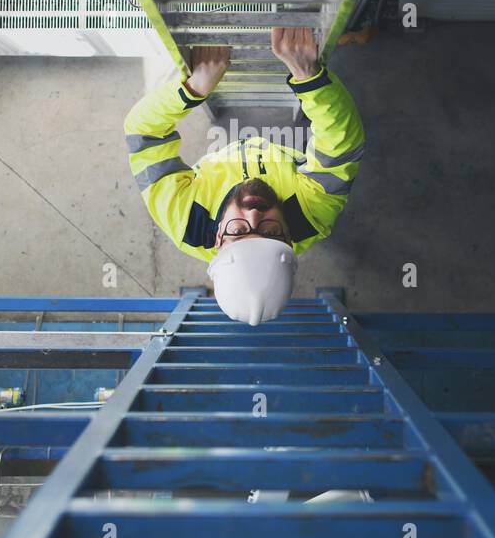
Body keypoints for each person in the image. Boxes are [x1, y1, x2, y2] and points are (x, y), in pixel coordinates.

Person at [123, 27, 365, 324]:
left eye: (238, 231)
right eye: (271, 232)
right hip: (278, 156)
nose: (253, 213)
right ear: (290, 239)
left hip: (221, 159)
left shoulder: (183, 219)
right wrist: (309, 78)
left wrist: (192, 90)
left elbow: (143, 134)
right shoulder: (312, 215)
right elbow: (343, 142)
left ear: (216, 242)